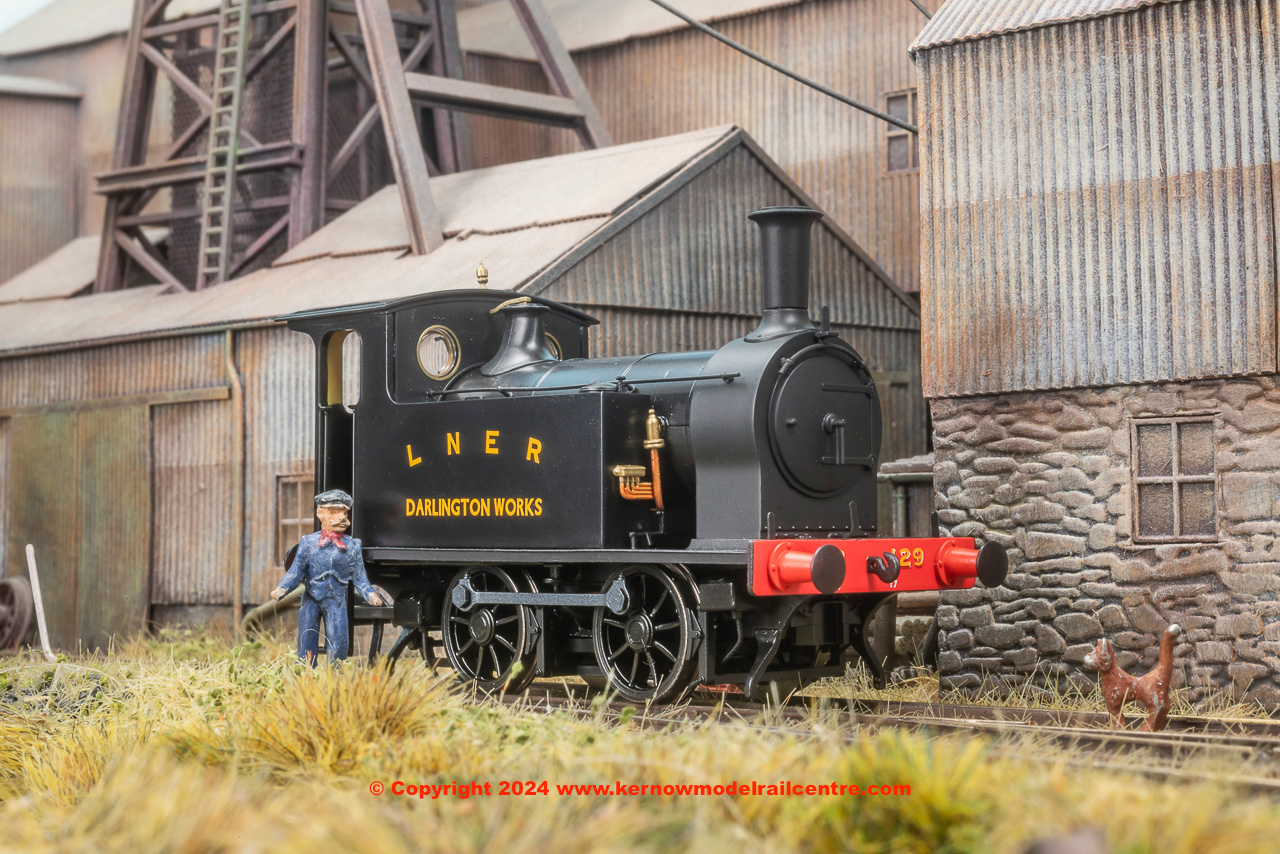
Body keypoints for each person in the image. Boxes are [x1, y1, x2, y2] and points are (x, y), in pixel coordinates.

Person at [271, 489, 384, 664]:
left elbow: (359, 577)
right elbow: (296, 571)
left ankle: (335, 675)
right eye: (334, 512)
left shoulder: (353, 546)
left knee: (339, 640)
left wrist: (370, 594)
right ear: (320, 513)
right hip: (311, 600)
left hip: (336, 602)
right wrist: (282, 588)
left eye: (344, 512)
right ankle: (305, 673)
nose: (342, 518)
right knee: (307, 638)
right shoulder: (308, 542)